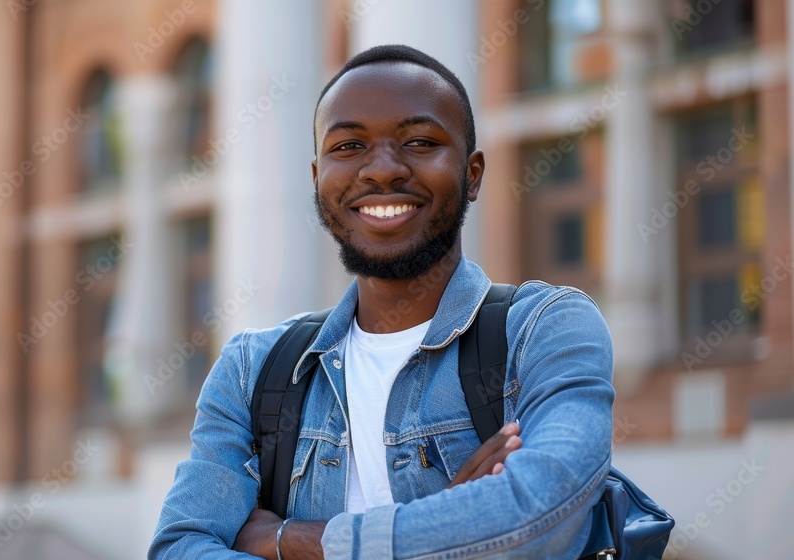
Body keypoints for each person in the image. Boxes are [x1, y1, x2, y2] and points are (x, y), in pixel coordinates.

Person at [149, 44, 614, 559]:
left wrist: (293, 540)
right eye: (348, 147)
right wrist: (457, 526)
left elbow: (541, 514)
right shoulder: (252, 369)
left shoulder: (544, 330)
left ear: (473, 173)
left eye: (419, 141)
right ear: (318, 179)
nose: (383, 170)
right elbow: (179, 548)